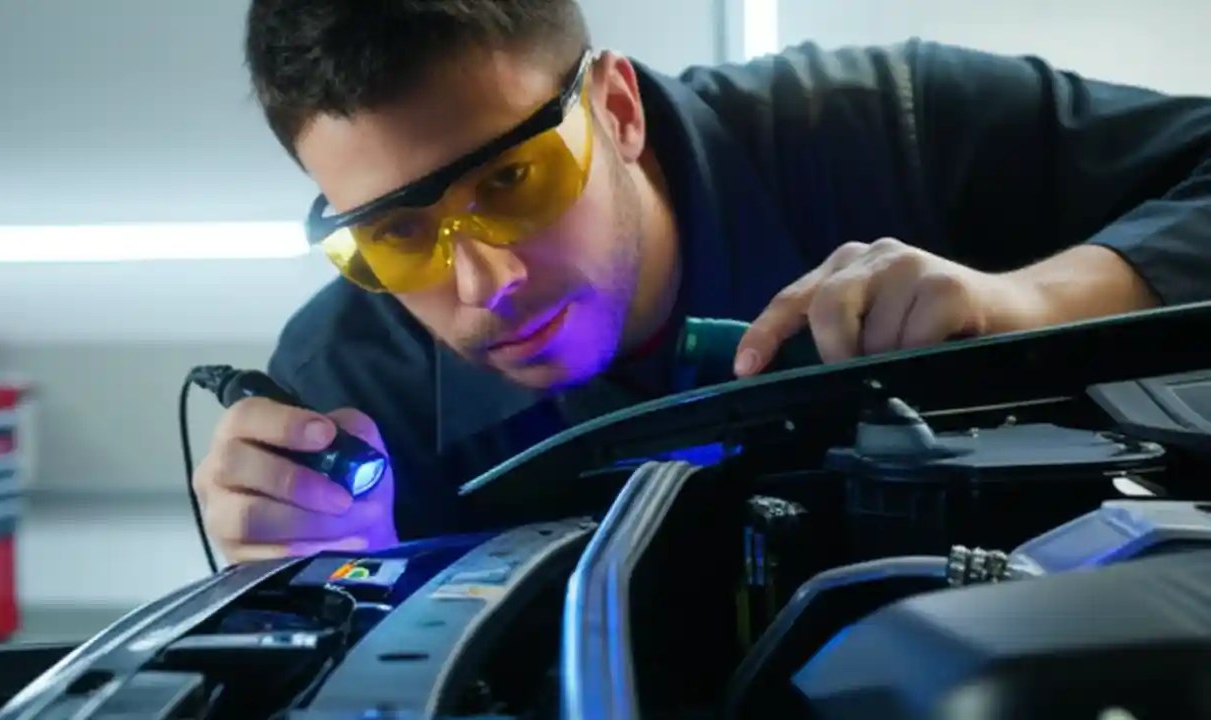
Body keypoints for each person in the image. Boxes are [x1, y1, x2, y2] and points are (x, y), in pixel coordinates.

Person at [193, 0, 1211, 563]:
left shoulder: (885, 125)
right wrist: (327, 580)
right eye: (395, 235)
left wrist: (1032, 305)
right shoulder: (337, 388)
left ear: (619, 109)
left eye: (511, 179)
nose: (483, 282)